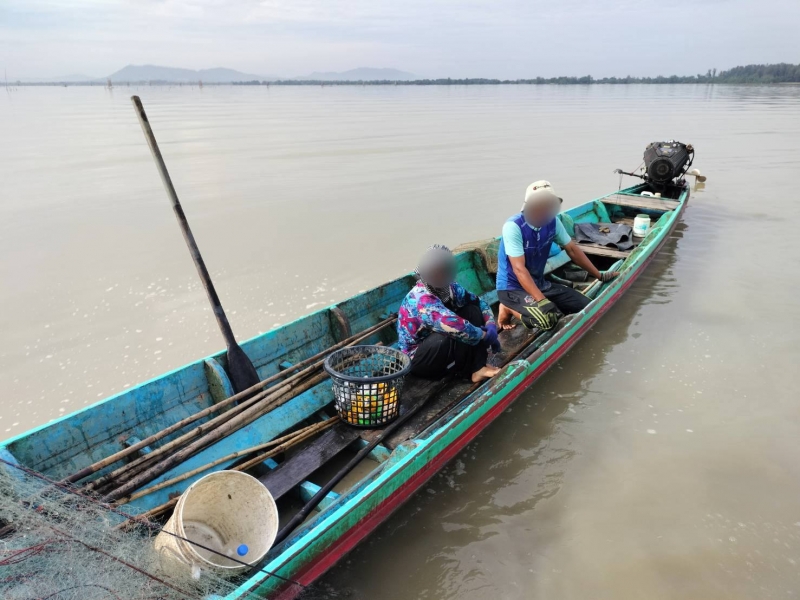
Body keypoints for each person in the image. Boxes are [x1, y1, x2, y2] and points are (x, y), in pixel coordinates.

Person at [496, 180, 619, 331]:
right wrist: (542, 301)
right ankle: (507, 308)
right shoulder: (514, 227)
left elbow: (572, 250)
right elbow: (519, 269)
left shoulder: (553, 222)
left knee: (588, 307)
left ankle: (540, 302)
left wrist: (599, 275)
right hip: (512, 288)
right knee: (547, 320)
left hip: (539, 283)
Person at [398, 245, 501, 383]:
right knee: (452, 333)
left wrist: (490, 324)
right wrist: (485, 336)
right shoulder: (421, 300)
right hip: (418, 359)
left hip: (440, 344)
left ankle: (478, 367)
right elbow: (455, 327)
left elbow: (479, 303)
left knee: (472, 310)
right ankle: (465, 371)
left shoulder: (451, 287)